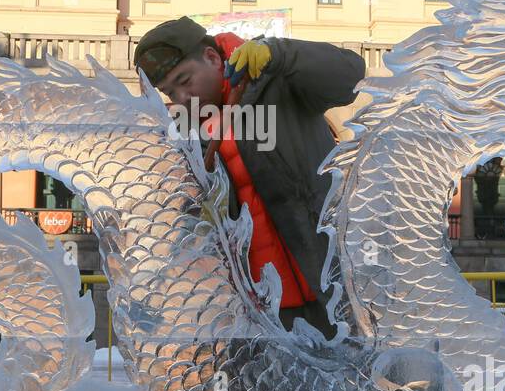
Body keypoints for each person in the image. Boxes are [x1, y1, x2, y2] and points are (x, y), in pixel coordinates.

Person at [134, 17, 365, 340]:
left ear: (213, 59)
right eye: (169, 91)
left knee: (356, 382)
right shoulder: (188, 134)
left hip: (332, 284)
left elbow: (351, 75)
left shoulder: (273, 79)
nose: (182, 96)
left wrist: (283, 55)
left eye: (185, 80)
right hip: (261, 307)